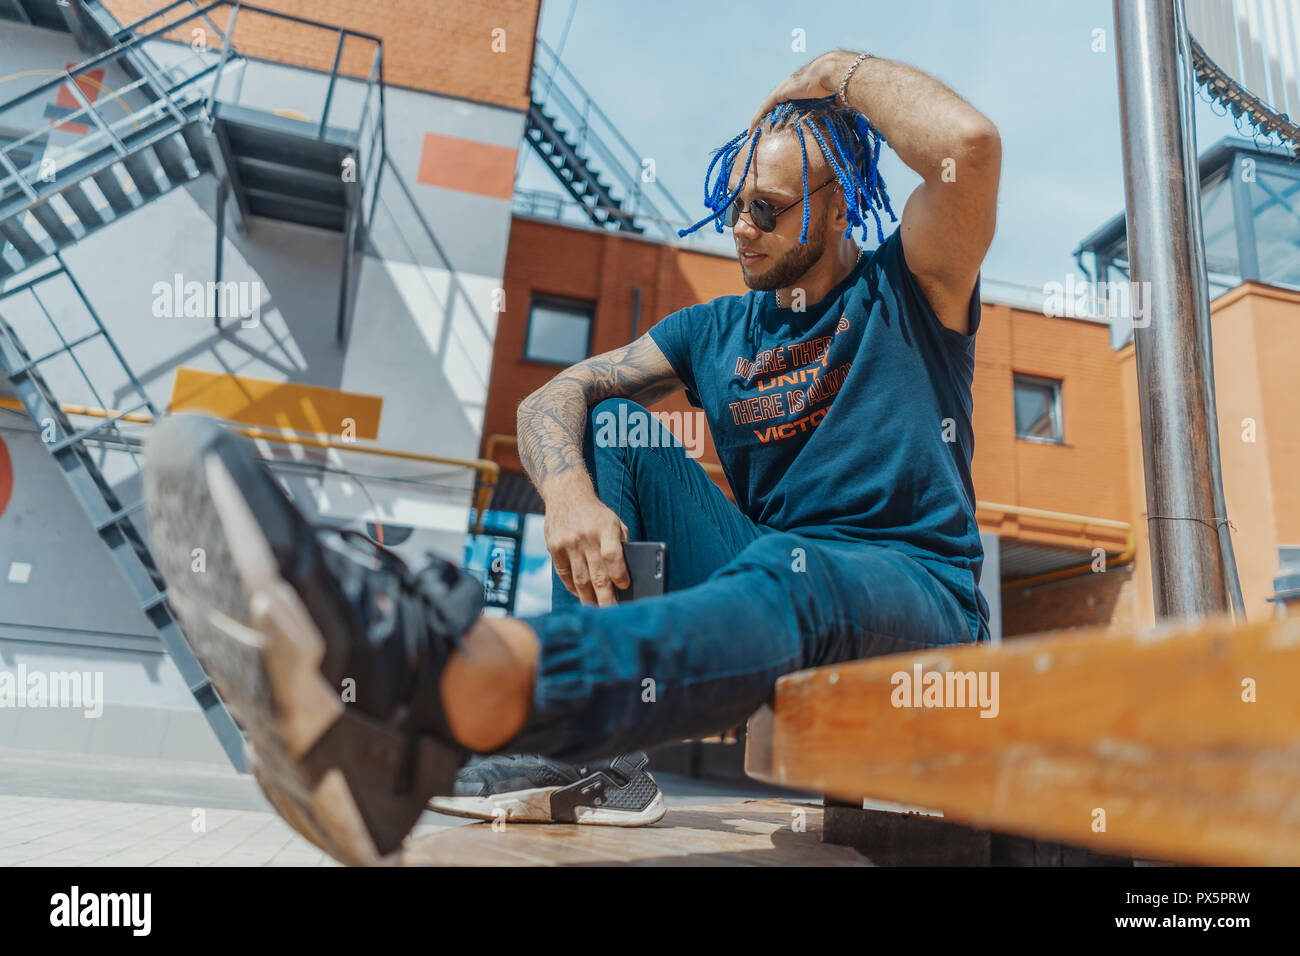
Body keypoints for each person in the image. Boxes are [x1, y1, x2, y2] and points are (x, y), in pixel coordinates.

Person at [143, 49, 1001, 865]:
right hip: (783, 578)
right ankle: (603, 772)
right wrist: (567, 495)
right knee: (608, 421)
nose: (740, 227)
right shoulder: (716, 331)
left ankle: (442, 683)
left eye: (766, 209)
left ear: (841, 204)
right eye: (731, 202)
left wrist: (828, 72)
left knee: (797, 571)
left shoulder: (912, 286)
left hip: (920, 596)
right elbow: (551, 397)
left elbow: (968, 145)